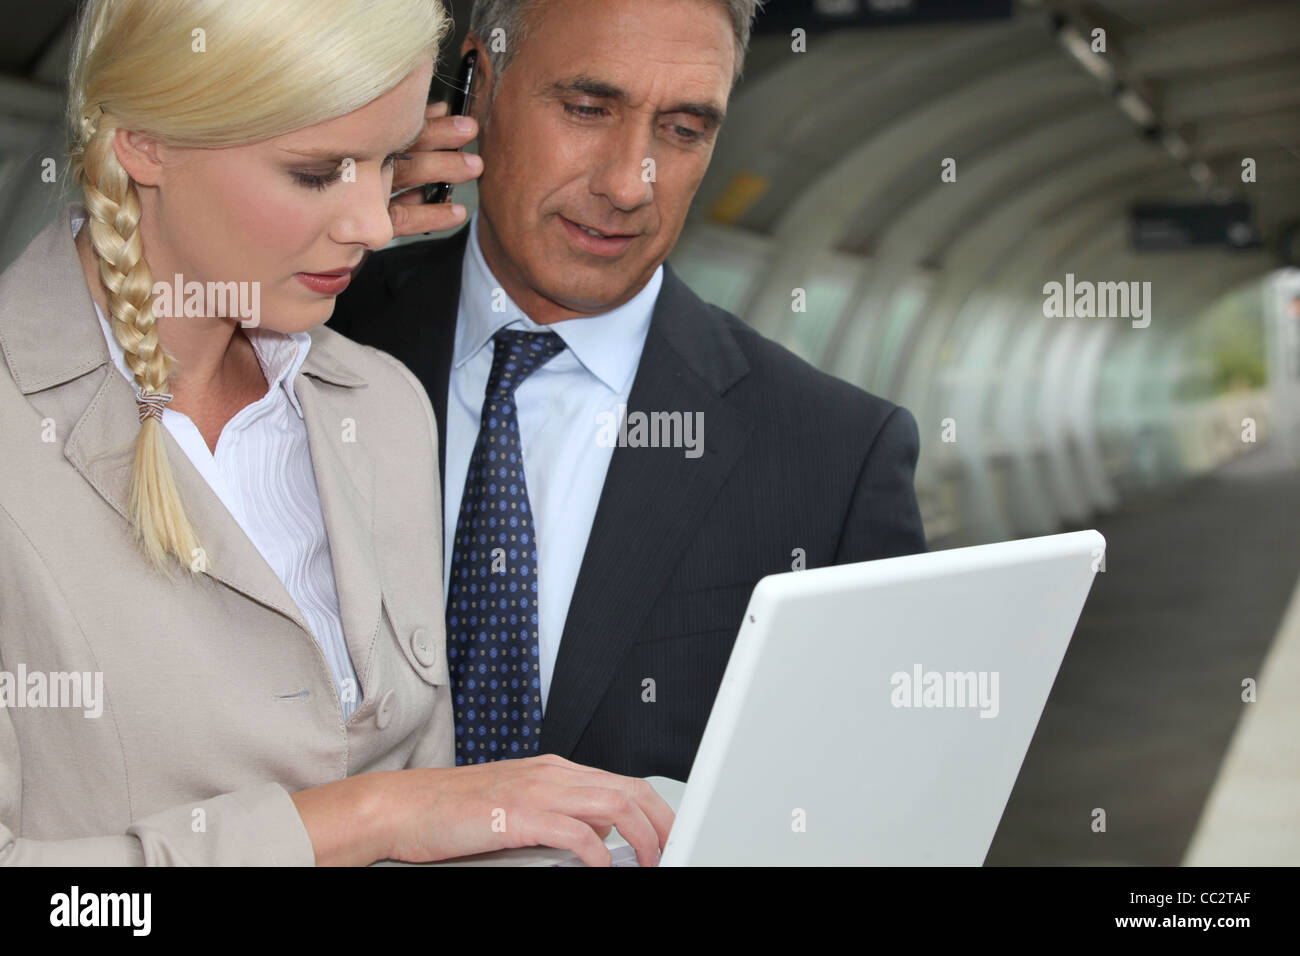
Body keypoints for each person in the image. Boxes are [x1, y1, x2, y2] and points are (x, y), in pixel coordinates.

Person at [0, 0, 671, 867]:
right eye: (318, 172)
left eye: (389, 161)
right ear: (144, 142)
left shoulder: (380, 406)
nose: (375, 223)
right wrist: (366, 818)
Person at [328, 0, 928, 782]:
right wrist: (329, 213)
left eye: (682, 129)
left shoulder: (833, 457)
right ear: (479, 81)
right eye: (586, 108)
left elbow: (874, 795)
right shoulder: (302, 337)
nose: (628, 184)